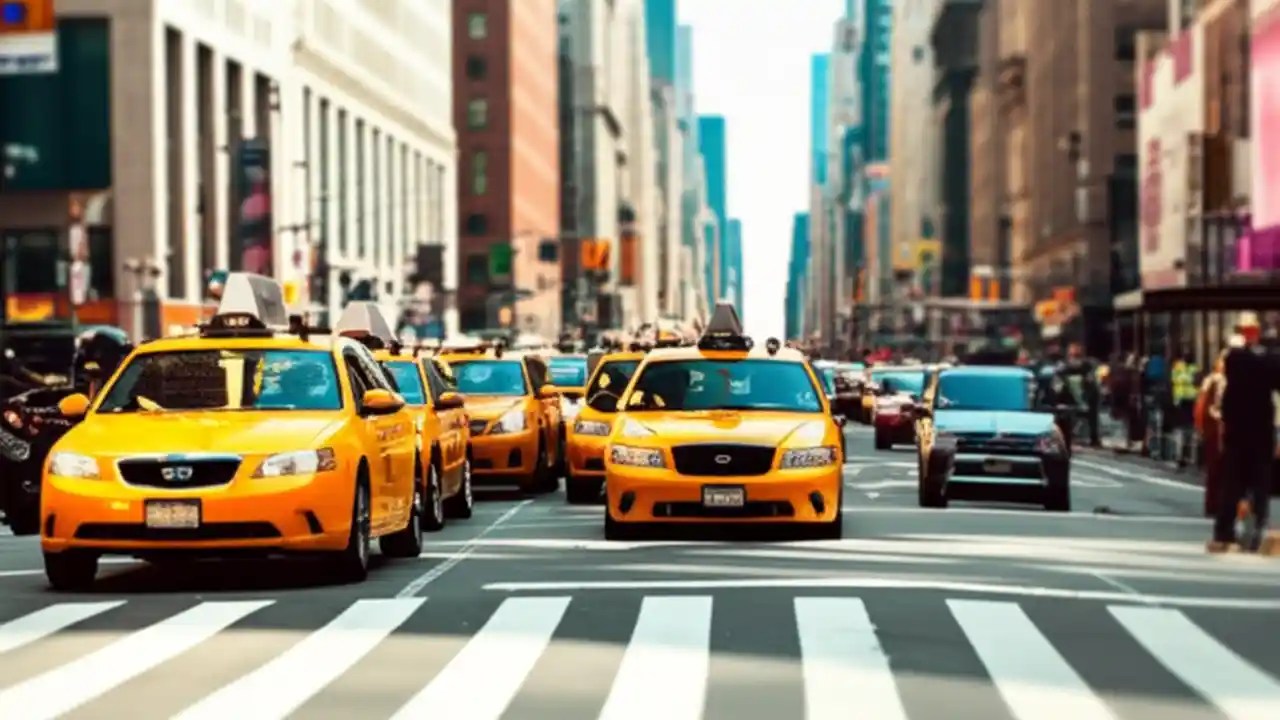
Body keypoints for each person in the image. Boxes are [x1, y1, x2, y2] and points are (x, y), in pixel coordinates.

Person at [1212, 312, 1280, 550]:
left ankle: (1225, 531)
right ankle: (1256, 529)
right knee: (1258, 483)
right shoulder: (1263, 360)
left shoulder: (1235, 359)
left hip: (1239, 429)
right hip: (1259, 429)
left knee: (1234, 483)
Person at [1195, 351, 1228, 517]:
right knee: (1215, 469)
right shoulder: (1212, 381)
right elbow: (1202, 406)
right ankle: (1214, 505)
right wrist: (1202, 427)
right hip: (1215, 430)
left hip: (1228, 429)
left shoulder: (1236, 379)